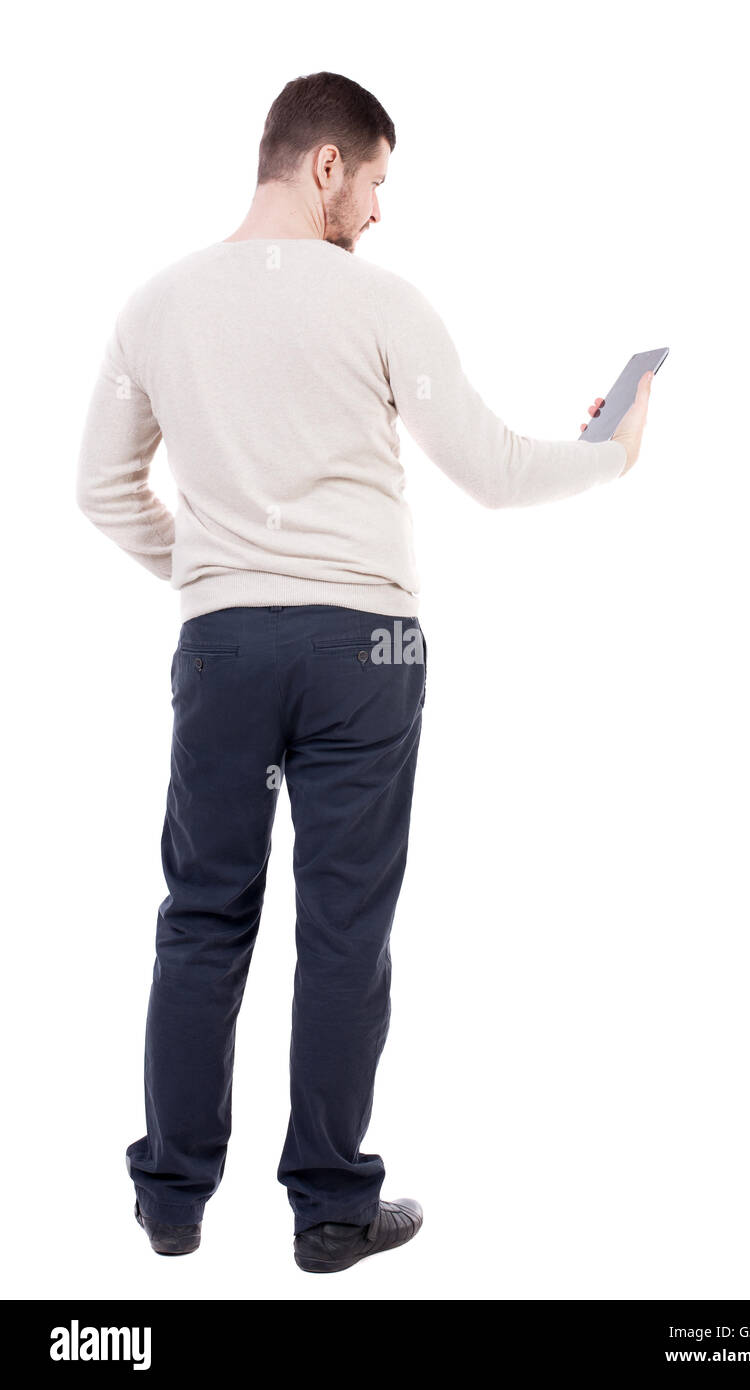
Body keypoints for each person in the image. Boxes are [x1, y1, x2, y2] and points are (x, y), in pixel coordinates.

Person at [76, 70, 653, 1276]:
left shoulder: (154, 307)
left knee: (200, 919)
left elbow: (99, 490)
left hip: (224, 648)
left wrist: (219, 579)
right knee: (344, 932)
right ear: (325, 165)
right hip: (366, 648)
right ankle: (330, 1211)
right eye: (377, 178)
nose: (381, 208)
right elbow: (492, 469)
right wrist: (613, 454)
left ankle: (172, 1202)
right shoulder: (381, 303)